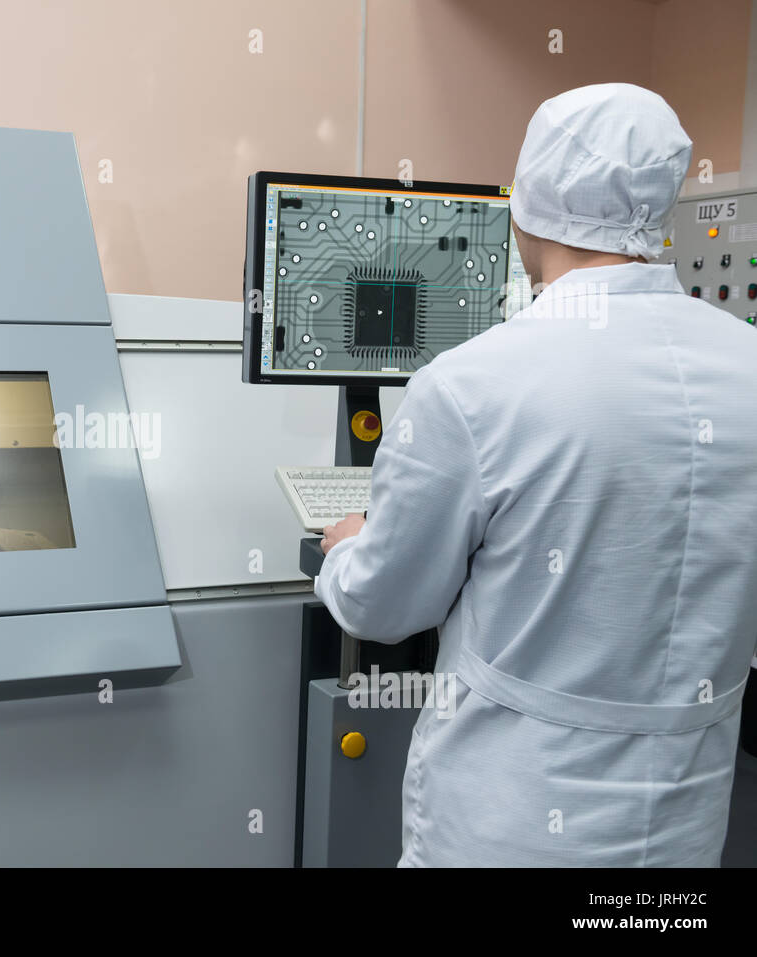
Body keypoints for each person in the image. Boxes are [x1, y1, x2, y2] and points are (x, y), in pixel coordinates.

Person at [315, 83, 757, 866]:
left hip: (512, 821)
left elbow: (383, 605)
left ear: (526, 209)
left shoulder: (472, 382)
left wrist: (349, 547)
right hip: (684, 826)